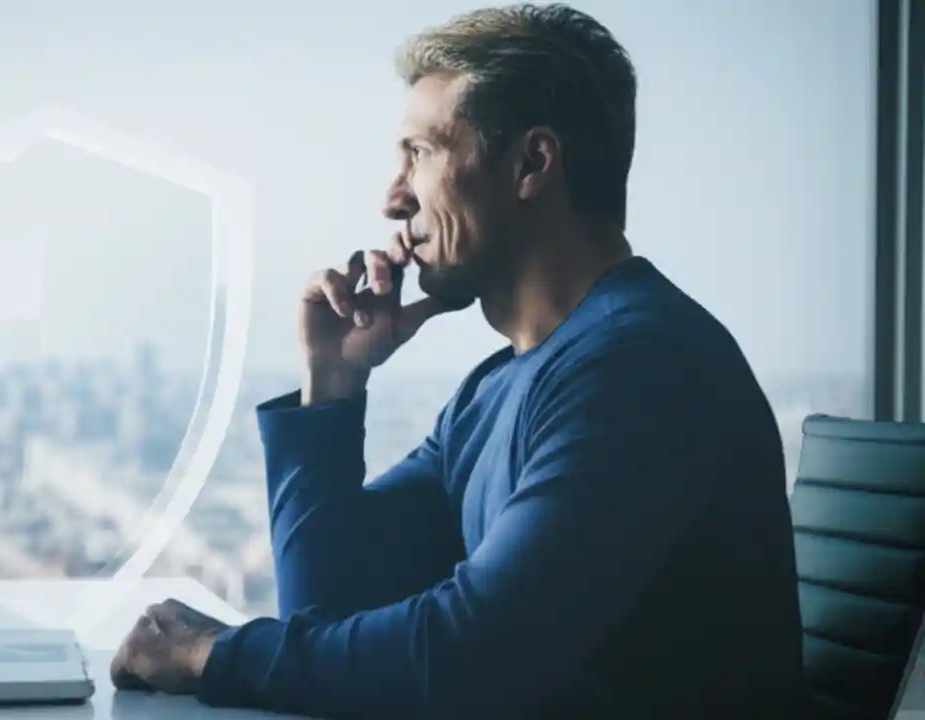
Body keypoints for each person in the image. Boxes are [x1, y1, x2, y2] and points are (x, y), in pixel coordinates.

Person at [110, 4, 805, 717]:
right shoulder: (499, 387)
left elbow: (473, 655)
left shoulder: (638, 370)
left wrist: (210, 653)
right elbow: (327, 608)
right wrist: (334, 385)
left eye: (421, 152)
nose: (392, 198)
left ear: (531, 163)